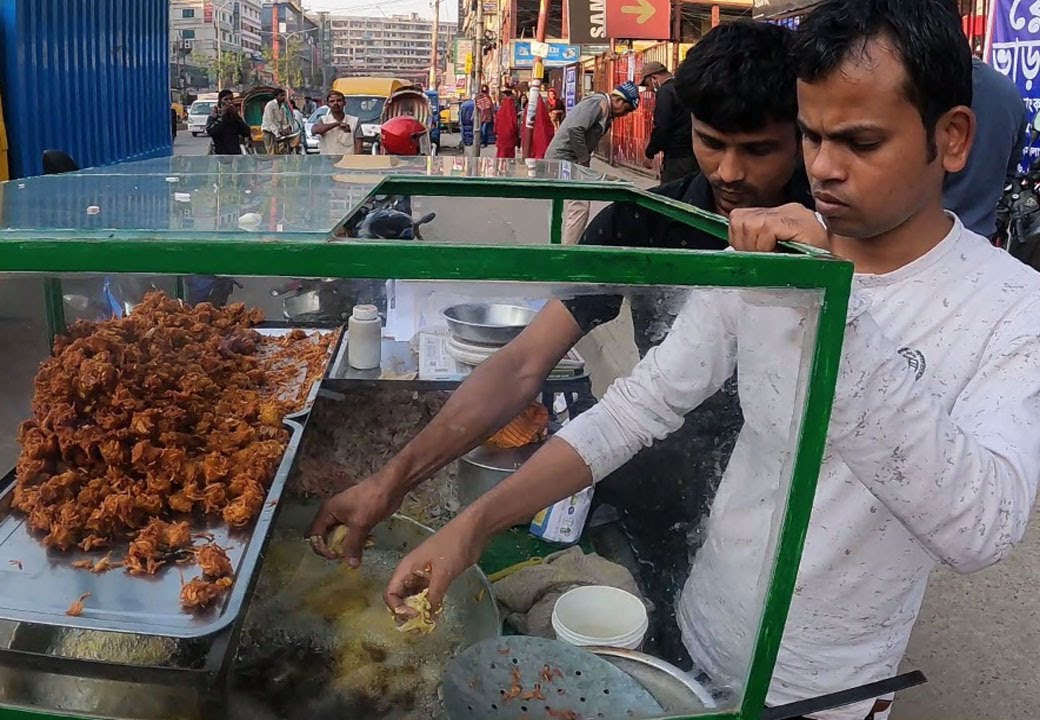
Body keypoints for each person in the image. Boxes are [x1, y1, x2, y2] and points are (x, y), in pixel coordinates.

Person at [378, 2, 1040, 719]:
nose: (824, 168)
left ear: (951, 137)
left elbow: (981, 528)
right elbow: (636, 410)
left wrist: (830, 303)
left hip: (825, 689)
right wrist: (472, 526)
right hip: (701, 630)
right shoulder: (765, 261)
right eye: (812, 136)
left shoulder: (1009, 307)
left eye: (860, 142)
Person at [310, 13, 809, 677]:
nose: (731, 171)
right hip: (662, 487)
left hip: (789, 516)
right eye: (711, 142)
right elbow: (522, 363)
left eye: (760, 149)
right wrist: (391, 480)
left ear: (805, 136)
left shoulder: (825, 237)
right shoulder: (645, 222)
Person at [545, 81, 640, 243]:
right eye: (627, 109)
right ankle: (569, 248)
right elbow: (575, 129)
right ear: (618, 100)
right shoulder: (598, 104)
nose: (625, 114)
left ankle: (558, 244)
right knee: (579, 203)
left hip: (568, 158)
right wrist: (584, 159)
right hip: (564, 157)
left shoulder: (605, 111)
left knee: (561, 202)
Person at [943, 56, 1027, 236]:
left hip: (925, 242)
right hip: (981, 235)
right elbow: (1009, 173)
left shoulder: (925, 83)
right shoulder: (1007, 91)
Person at [641, 60, 698, 183]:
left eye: (647, 84)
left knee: (672, 190)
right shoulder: (684, 87)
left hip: (676, 157)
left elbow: (662, 125)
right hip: (694, 153)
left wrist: (650, 153)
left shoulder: (665, 92)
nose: (649, 89)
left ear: (654, 78)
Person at [314, 90, 364, 155]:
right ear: (328, 105)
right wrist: (337, 123)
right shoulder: (323, 120)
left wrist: (355, 160)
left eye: (339, 100)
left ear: (344, 103)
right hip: (327, 160)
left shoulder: (354, 121)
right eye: (332, 101)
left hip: (348, 159)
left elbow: (359, 145)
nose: (335, 103)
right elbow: (315, 130)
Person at [205, 90, 250, 155]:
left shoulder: (234, 116)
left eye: (231, 99)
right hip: (218, 154)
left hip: (234, 154)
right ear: (220, 101)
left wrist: (236, 117)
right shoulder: (215, 114)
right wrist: (222, 117)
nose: (229, 102)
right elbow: (211, 131)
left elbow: (246, 132)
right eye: (226, 99)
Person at [528, 86, 561, 160]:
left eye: (553, 94)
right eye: (550, 94)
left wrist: (557, 112)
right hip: (549, 120)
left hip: (556, 121)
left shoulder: (558, 102)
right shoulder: (546, 103)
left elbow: (563, 110)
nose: (552, 96)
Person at [261, 88, 297, 155]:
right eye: (281, 95)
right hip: (269, 132)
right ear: (276, 96)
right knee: (272, 154)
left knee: (281, 153)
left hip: (278, 134)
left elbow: (283, 122)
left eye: (284, 95)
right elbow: (270, 122)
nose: (283, 97)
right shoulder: (270, 105)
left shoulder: (283, 107)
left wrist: (286, 129)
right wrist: (277, 133)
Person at [494, 88, 520, 159]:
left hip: (501, 136)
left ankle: (500, 165)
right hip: (510, 137)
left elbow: (496, 122)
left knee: (501, 154)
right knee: (510, 155)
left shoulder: (500, 111)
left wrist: (496, 132)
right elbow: (515, 124)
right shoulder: (512, 111)